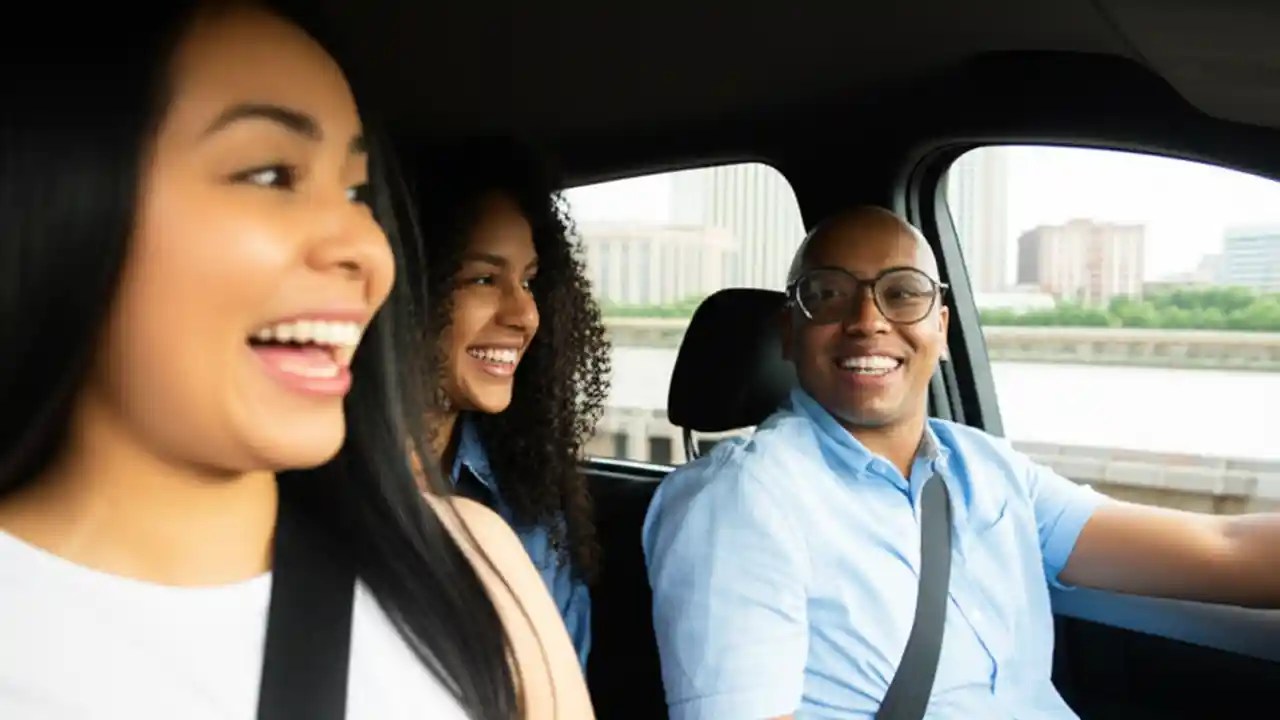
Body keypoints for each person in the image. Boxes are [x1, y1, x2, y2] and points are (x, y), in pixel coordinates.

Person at [0, 4, 591, 719]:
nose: (369, 253)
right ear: (63, 198)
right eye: (271, 175)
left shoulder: (475, 569)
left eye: (355, 193)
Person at [641, 205, 1280, 719]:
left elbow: (1218, 545)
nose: (867, 320)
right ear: (789, 332)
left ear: (941, 328)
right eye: (828, 294)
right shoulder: (740, 502)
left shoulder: (984, 469)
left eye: (903, 293)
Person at [410, 138, 612, 669]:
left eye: (528, 282)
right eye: (482, 279)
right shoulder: (312, 486)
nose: (525, 315)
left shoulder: (531, 502)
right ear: (405, 289)